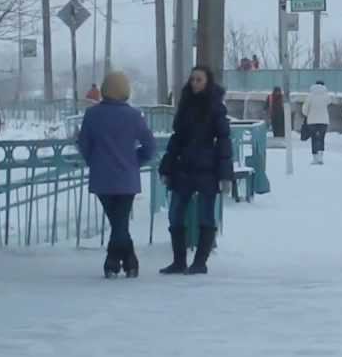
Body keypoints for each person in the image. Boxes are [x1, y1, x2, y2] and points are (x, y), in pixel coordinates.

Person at [77, 71, 155, 279]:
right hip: (126, 178)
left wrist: (94, 161)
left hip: (101, 177)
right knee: (120, 222)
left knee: (117, 222)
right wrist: (135, 161)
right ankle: (127, 261)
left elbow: (83, 144)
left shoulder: (92, 115)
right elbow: (150, 146)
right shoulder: (134, 115)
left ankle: (116, 261)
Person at [158, 66, 233, 275]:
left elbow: (224, 141)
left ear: (208, 82)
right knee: (175, 214)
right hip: (184, 168)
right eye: (192, 79)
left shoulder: (216, 107)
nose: (194, 83)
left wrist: (225, 174)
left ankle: (200, 262)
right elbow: (176, 139)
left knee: (206, 216)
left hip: (207, 169)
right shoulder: (185, 105)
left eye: (199, 80)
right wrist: (167, 167)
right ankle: (179, 261)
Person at [302, 80, 331, 165]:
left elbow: (305, 110)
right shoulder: (326, 95)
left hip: (312, 121)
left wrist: (308, 114)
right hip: (324, 121)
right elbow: (329, 102)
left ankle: (315, 158)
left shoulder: (310, 96)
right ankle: (321, 157)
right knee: (321, 138)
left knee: (314, 138)